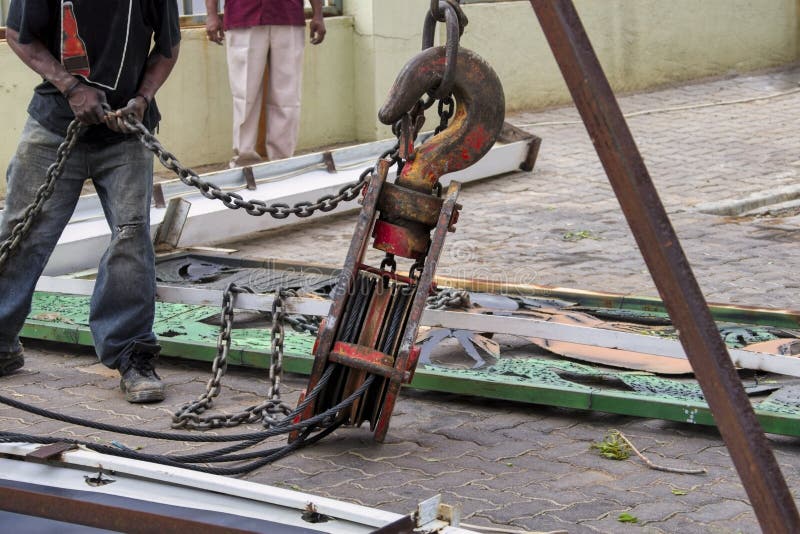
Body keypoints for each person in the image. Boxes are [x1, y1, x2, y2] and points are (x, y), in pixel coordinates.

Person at [0, 0, 181, 403]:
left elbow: (167, 48)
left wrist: (143, 98)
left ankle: (132, 354)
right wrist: (70, 86)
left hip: (126, 129)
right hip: (52, 124)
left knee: (130, 238)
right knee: (21, 231)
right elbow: (19, 34)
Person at [205, 0, 326, 167]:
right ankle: (244, 160)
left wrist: (318, 14)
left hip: (287, 14)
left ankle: (282, 160)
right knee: (244, 94)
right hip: (243, 14)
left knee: (287, 96)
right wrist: (211, 15)